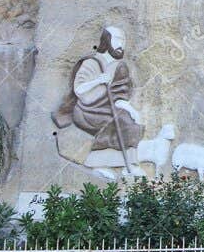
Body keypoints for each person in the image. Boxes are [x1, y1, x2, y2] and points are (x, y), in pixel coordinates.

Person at [52, 27, 143, 179]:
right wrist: (97, 81)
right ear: (107, 40)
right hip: (86, 110)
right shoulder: (91, 63)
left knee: (129, 120)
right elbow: (79, 90)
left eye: (124, 40)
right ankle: (99, 163)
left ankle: (128, 165)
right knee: (114, 122)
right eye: (118, 39)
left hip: (108, 108)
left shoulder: (120, 66)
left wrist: (130, 109)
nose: (122, 44)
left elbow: (120, 94)